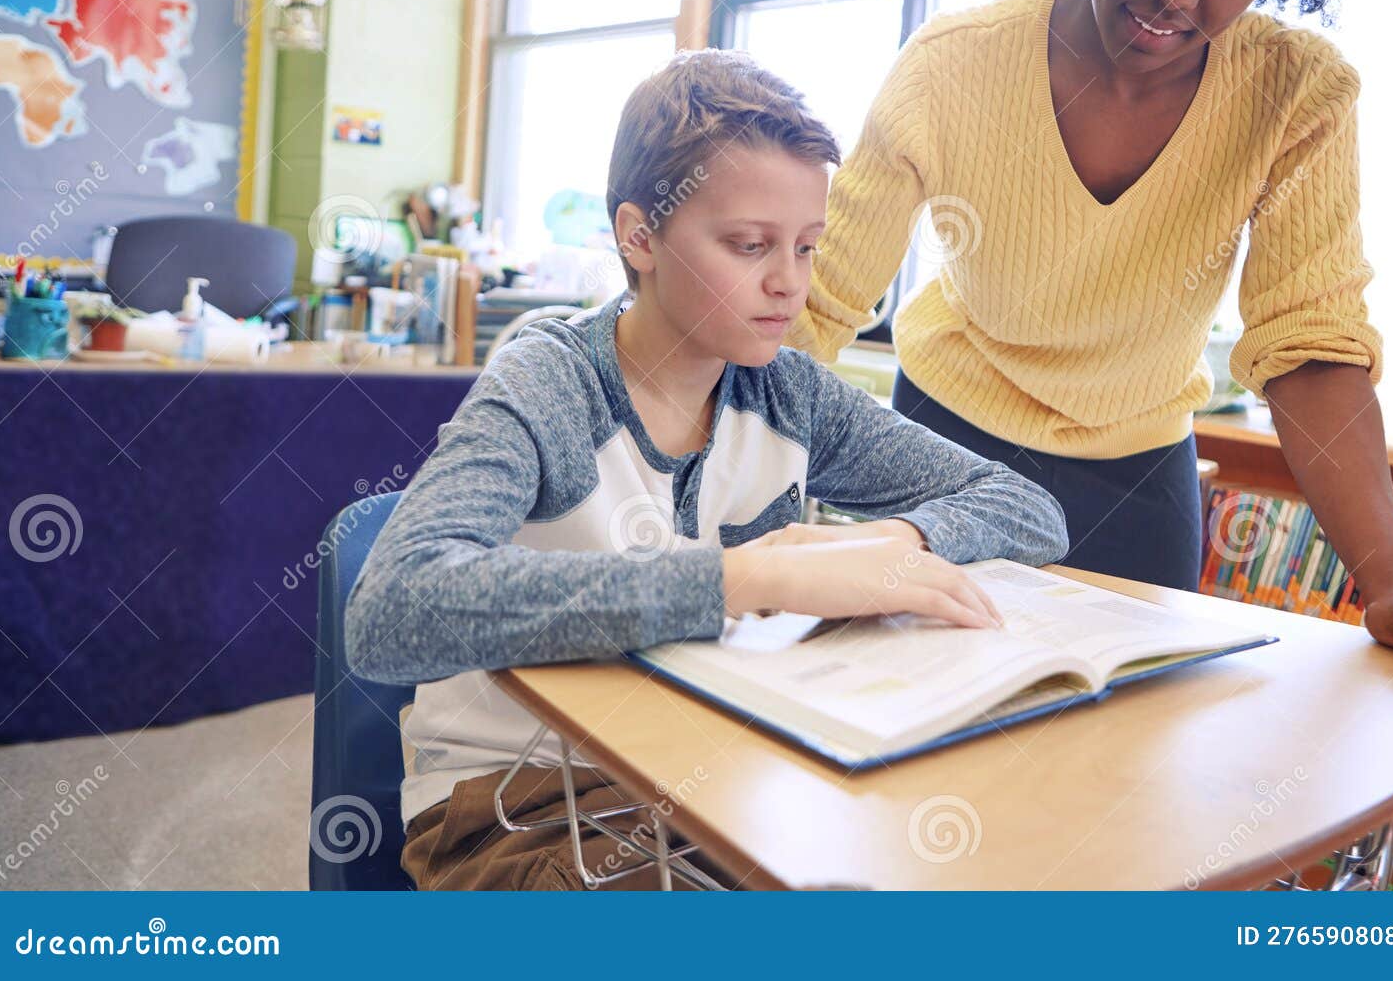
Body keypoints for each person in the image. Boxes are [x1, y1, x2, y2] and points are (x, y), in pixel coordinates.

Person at [788, 0, 1393, 730]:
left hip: (1137, 487)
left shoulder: (1297, 95)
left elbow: (1308, 345)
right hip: (948, 456)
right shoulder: (952, 65)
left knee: (1119, 764)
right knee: (921, 735)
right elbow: (814, 299)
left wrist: (1390, 581)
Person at [344, 49, 1070, 890]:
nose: (789, 284)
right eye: (749, 245)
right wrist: (747, 578)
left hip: (718, 781)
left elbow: (1027, 508)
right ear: (639, 235)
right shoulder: (549, 381)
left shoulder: (790, 394)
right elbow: (392, 612)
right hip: (522, 806)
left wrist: (889, 544)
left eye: (807, 247)